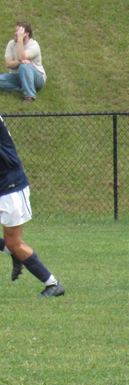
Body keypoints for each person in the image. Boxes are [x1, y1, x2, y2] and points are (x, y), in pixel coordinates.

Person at [0, 115, 63, 297]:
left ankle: (53, 284)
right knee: (13, 245)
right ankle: (14, 252)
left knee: (14, 242)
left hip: (9, 187)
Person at [0, 22, 45, 103]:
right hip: (18, 77)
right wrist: (19, 62)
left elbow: (21, 57)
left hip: (36, 78)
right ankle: (21, 89)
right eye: (16, 31)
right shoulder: (11, 44)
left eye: (18, 32)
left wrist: (20, 39)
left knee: (24, 66)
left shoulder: (33, 45)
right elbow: (8, 64)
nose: (15, 33)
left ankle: (30, 96)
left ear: (26, 34)